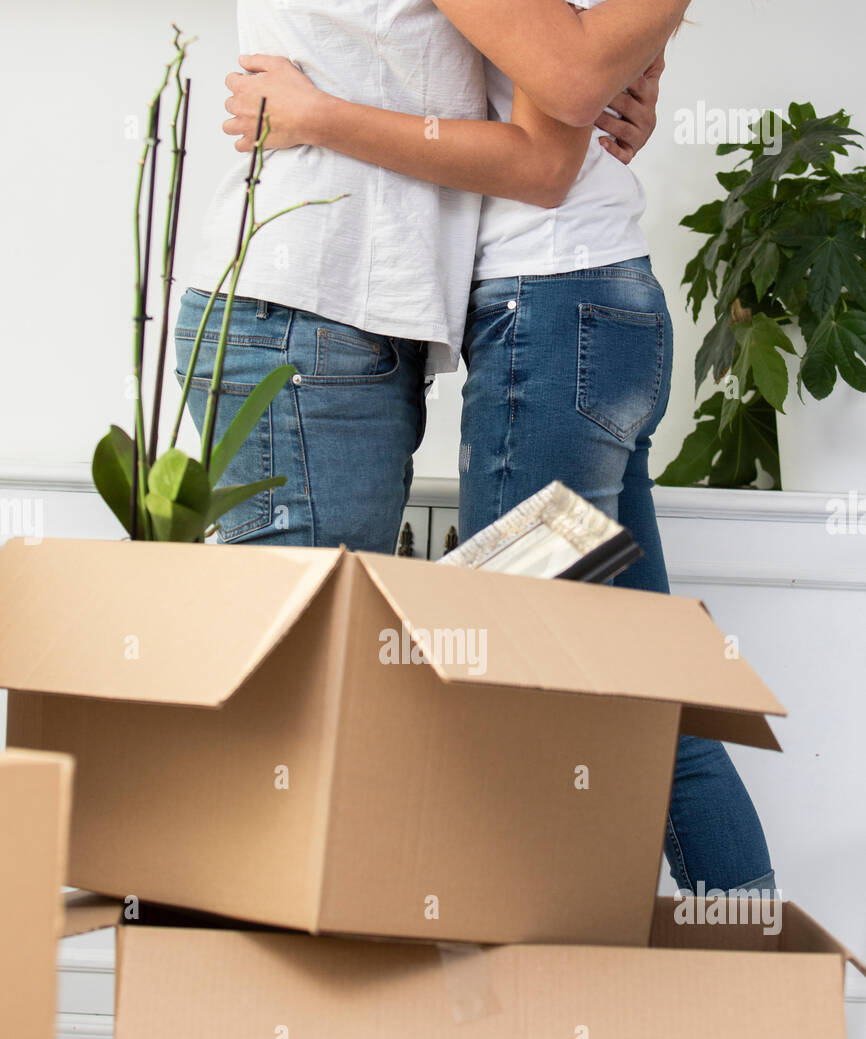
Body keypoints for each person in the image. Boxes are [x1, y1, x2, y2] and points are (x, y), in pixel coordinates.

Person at [214, 1, 776, 900]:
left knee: (511, 690)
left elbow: (548, 152)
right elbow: (581, 85)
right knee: (654, 697)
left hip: (550, 330)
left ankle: (528, 1011)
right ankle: (763, 988)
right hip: (600, 320)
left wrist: (315, 117)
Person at [176, 0, 687, 549]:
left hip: (517, 300)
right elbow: (559, 118)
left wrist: (319, 117)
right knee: (564, 620)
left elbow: (560, 116)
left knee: (537, 620)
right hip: (315, 306)